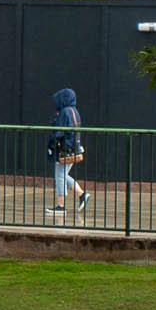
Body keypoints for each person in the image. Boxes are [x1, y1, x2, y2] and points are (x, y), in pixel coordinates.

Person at [47, 86, 90, 217]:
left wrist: (52, 145)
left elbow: (59, 132)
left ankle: (61, 206)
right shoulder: (74, 111)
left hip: (65, 150)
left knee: (60, 176)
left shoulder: (65, 112)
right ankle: (82, 194)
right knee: (64, 175)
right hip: (74, 149)